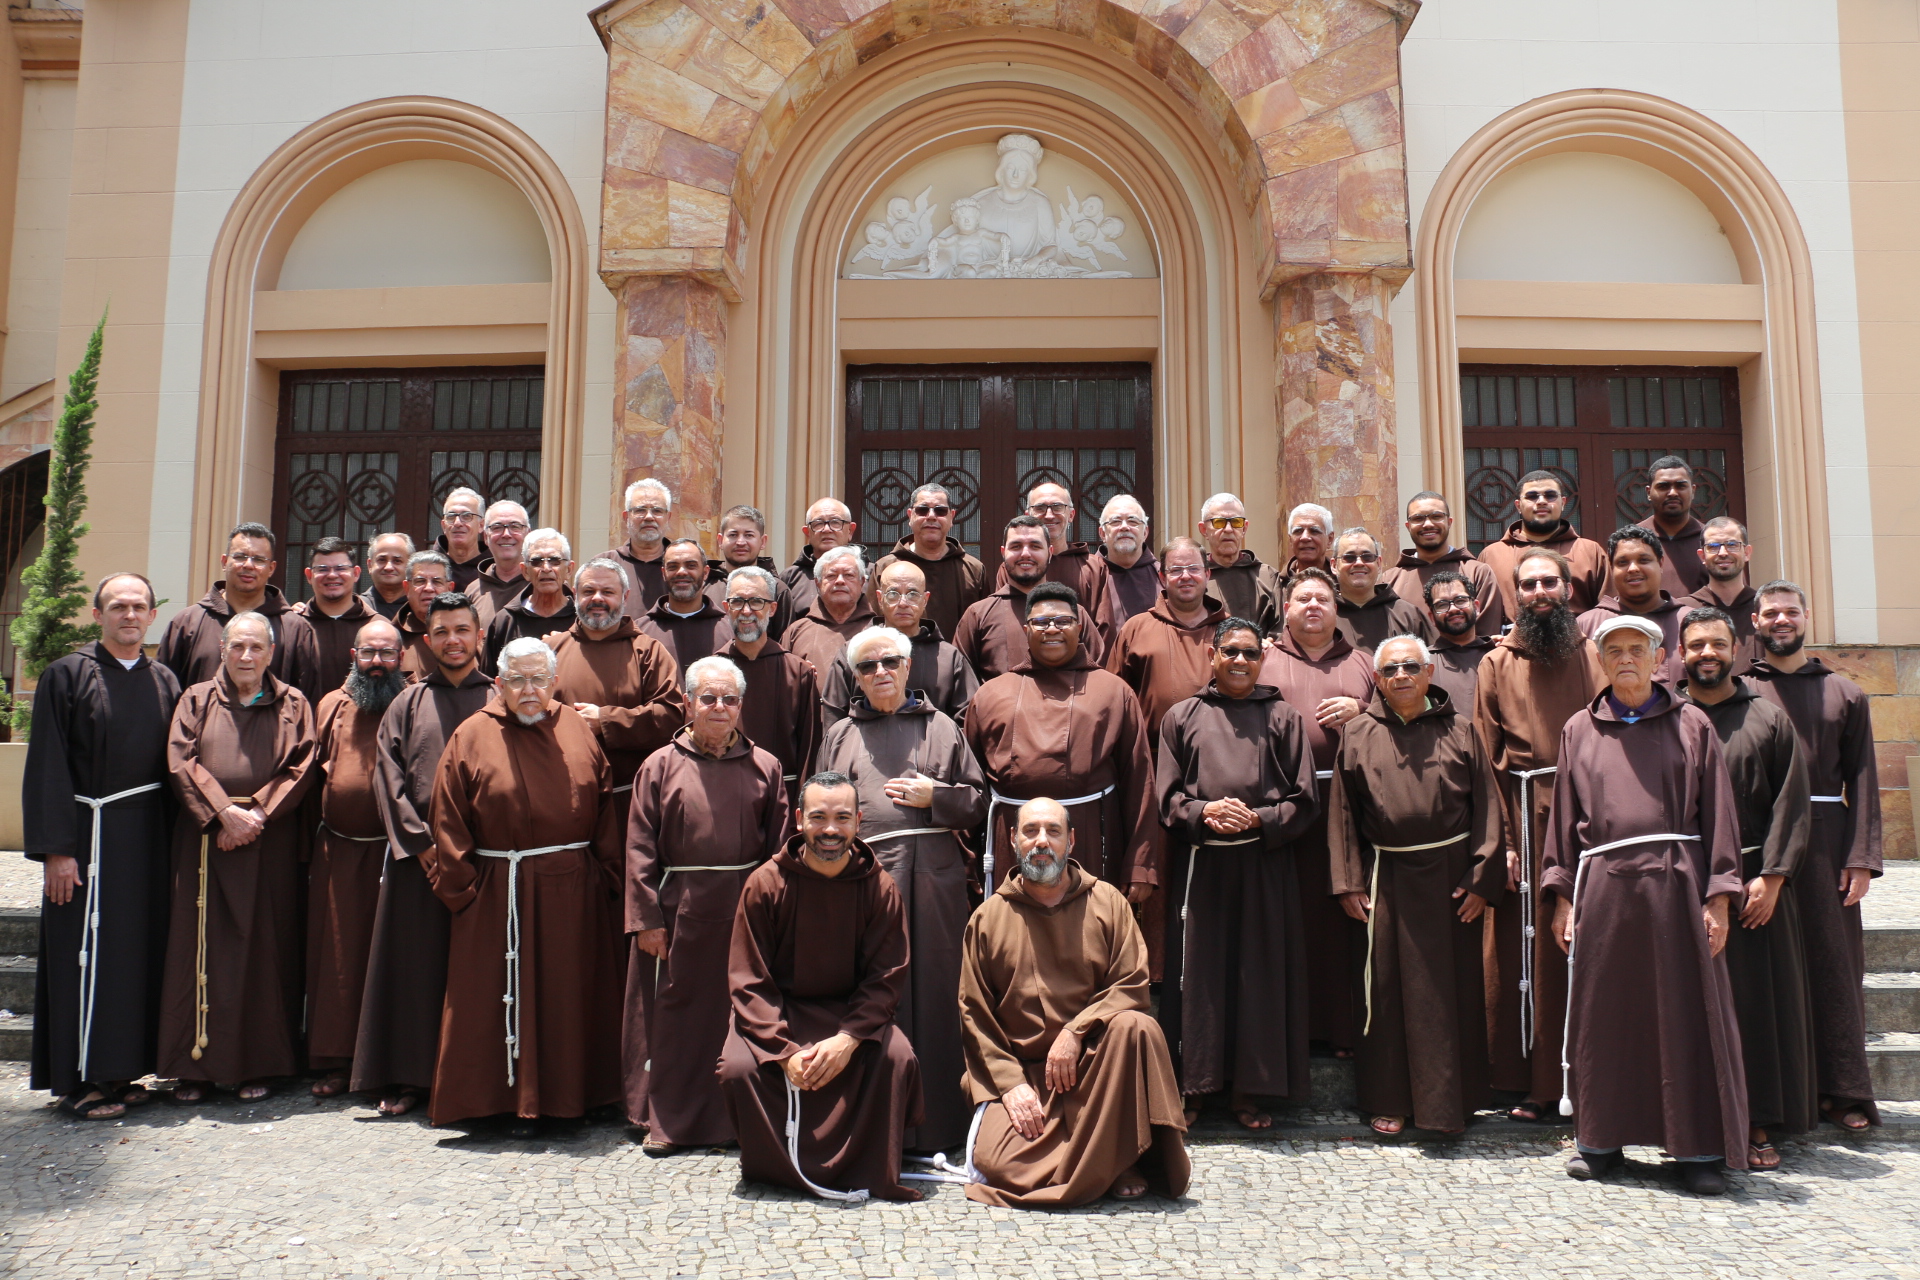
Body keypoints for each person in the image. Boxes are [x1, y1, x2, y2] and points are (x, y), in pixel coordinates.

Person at [1545, 614, 1748, 1195]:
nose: (1627, 658)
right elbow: (1562, 819)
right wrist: (1561, 899)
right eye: (1615, 650)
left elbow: (1719, 815)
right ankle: (1601, 1141)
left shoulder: (1693, 723)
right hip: (1603, 885)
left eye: (1639, 648)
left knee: (1687, 1012)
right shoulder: (1579, 729)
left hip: (1678, 884)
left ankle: (1696, 1151)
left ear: (1662, 659)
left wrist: (1720, 896)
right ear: (1601, 661)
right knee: (1604, 1013)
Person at [423, 636, 625, 1135]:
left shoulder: (576, 726)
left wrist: (606, 879)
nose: (529, 690)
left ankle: (577, 1097)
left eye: (538, 679)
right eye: (517, 680)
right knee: (497, 999)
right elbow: (446, 819)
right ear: (499, 683)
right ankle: (503, 1102)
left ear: (555, 683)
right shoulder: (472, 734)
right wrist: (466, 893)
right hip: (498, 893)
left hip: (572, 893)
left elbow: (602, 807)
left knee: (567, 998)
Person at [958, 798, 1190, 1207]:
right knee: (999, 1163)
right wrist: (1010, 1086)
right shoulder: (988, 917)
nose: (1041, 842)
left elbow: (1132, 985)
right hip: (1027, 1076)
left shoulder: (1109, 903)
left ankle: (1120, 1159)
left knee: (1137, 1028)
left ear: (1072, 841)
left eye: (1053, 831)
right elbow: (974, 1014)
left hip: (1098, 1071)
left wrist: (1076, 1030)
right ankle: (1108, 1160)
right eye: (1030, 831)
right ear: (1013, 839)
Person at [819, 626, 988, 1152]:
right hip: (867, 882)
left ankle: (941, 1123)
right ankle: (875, 1124)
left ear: (908, 666)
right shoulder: (840, 735)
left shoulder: (941, 727)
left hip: (936, 880)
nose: (880, 673)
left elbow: (979, 801)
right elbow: (818, 810)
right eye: (867, 667)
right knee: (874, 995)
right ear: (856, 677)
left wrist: (935, 795)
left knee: (938, 994)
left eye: (889, 661)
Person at [718, 772, 924, 1203]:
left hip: (850, 1016)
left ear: (858, 822)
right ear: (798, 820)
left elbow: (886, 977)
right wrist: (784, 1051)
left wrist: (848, 1039)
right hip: (778, 1014)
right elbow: (749, 979)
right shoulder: (765, 884)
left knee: (896, 1056)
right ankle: (773, 1168)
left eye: (842, 818)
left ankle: (867, 1166)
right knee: (738, 1068)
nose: (830, 829)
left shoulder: (879, 887)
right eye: (819, 817)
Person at [1329, 635, 1503, 1136]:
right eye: (1391, 670)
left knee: (1452, 993)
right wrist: (1347, 883)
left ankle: (1456, 1100)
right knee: (1387, 995)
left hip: (1451, 882)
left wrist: (1480, 879)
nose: (1401, 675)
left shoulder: (1462, 730)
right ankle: (1393, 1099)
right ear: (1378, 680)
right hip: (1387, 877)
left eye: (1411, 666)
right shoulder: (1358, 732)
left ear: (1429, 673)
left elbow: (1489, 808)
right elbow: (1343, 814)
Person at [26, 573, 181, 1120]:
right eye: (118, 606)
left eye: (139, 606)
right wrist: (56, 850)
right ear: (98, 615)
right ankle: (78, 1079)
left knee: (134, 954)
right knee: (81, 955)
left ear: (152, 616)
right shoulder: (66, 675)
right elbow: (46, 764)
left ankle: (121, 1070)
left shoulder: (166, 680)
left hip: (145, 841)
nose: (130, 615)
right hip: (85, 835)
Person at [1156, 619, 1317, 1126]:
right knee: (1200, 976)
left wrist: (1261, 818)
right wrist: (1202, 812)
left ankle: (1251, 1090)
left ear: (1261, 659)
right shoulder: (1182, 717)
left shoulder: (1283, 718)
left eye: (1250, 653)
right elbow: (1167, 794)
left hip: (1264, 862)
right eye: (1231, 652)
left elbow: (1306, 798)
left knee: (1258, 975)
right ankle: (1196, 1085)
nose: (1240, 661)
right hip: (1202, 865)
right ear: (1213, 654)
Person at [625, 656, 788, 1156]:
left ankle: (736, 1120)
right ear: (689, 702)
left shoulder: (766, 766)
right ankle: (668, 1121)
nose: (719, 708)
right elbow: (639, 847)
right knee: (676, 1022)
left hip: (744, 913)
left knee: (739, 1016)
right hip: (679, 912)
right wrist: (647, 919)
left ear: (742, 706)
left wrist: (776, 918)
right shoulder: (659, 765)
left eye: (730, 699)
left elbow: (780, 849)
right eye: (708, 698)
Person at [158, 612, 318, 1104]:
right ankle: (195, 1067)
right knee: (198, 951)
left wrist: (257, 815)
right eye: (238, 647)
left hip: (268, 843)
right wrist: (223, 811)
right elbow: (180, 759)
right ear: (222, 649)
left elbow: (304, 763)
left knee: (265, 953)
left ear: (272, 653)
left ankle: (260, 1064)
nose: (247, 656)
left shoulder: (293, 702)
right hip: (206, 838)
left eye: (257, 648)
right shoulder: (197, 699)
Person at [1680, 606, 1816, 1169]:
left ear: (1736, 648)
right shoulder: (1667, 717)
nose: (1706, 654)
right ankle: (1688, 1115)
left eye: (1717, 644)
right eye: (1695, 646)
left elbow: (1792, 800)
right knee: (1685, 1003)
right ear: (1679, 654)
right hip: (1682, 880)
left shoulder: (1768, 718)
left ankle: (1758, 1118)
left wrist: (1776, 875)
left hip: (1756, 883)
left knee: (1754, 1004)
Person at [1472, 547, 1605, 1121]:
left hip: (1588, 817)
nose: (1539, 593)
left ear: (1568, 587)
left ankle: (1594, 1076)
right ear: (1515, 594)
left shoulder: (1595, 654)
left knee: (1587, 945)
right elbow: (1484, 757)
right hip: (1523, 814)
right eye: (1528, 585)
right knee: (1523, 951)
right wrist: (1501, 841)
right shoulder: (1495, 663)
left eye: (1550, 582)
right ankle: (1529, 1081)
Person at [1747, 579, 1883, 1133]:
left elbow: (1866, 779)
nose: (1781, 620)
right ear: (1753, 622)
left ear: (1807, 617)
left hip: (1827, 837)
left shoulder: (1844, 693)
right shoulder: (1741, 691)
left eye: (1790, 611)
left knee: (1832, 963)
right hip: (1762, 835)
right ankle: (1782, 1093)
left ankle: (1844, 1090)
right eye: (1770, 613)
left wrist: (1861, 857)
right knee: (1771, 963)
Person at [352, 591, 492, 1117]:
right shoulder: (407, 702)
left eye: (463, 630)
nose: (453, 641)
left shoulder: (499, 698)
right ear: (427, 641)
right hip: (421, 861)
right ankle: (410, 1075)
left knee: (475, 971)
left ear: (480, 637)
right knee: (414, 968)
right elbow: (387, 778)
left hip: (484, 861)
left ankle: (471, 1074)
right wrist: (421, 844)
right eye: (442, 633)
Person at [964, 581, 1159, 899]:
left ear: (1079, 627)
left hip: (1090, 839)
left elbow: (1139, 781)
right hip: (1009, 838)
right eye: (1040, 622)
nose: (1051, 629)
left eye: (1062, 621)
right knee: (1013, 940)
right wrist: (968, 862)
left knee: (1087, 941)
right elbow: (969, 785)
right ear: (1026, 629)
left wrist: (1139, 865)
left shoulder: (1113, 691)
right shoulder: (991, 694)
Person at [1257, 567, 1375, 1056]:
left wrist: (1364, 712)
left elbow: (1400, 716)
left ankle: (1344, 1029)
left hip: (1348, 806)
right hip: (1283, 808)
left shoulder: (1366, 663)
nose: (1312, 606)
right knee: (1289, 919)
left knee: (1343, 920)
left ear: (1337, 609)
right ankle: (1291, 1031)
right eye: (1302, 598)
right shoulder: (1261, 659)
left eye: (1322, 600)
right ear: (1286, 608)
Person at [303, 618, 407, 1099]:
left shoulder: (411, 704)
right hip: (340, 852)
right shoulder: (331, 705)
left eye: (388, 654)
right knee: (340, 961)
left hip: (397, 856)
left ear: (401, 658)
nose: (379, 664)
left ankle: (391, 1067)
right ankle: (338, 1060)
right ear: (353, 656)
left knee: (392, 963)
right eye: (369, 654)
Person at [548, 557, 688, 817]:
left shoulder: (648, 652)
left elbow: (671, 716)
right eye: (588, 591)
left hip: (628, 800)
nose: (597, 599)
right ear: (576, 595)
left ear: (625, 595)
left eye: (608, 592)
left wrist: (605, 720)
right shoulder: (550, 651)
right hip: (561, 799)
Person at [159, 521, 323, 705]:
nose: (248, 565)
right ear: (224, 561)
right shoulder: (187, 623)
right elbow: (165, 698)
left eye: (259, 559)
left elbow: (307, 705)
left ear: (271, 568)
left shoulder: (296, 629)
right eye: (240, 556)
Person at [822, 559, 978, 730]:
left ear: (925, 599)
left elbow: (966, 722)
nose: (903, 603)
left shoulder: (949, 658)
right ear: (880, 598)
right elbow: (834, 720)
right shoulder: (855, 652)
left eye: (912, 594)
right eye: (893, 594)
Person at [715, 565, 821, 806]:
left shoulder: (799, 673)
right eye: (737, 602)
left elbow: (810, 751)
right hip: (724, 799)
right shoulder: (711, 673)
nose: (746, 611)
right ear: (725, 608)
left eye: (756, 602)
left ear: (772, 608)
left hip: (783, 801)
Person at [1104, 537, 1226, 738]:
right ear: (1162, 577)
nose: (1185, 576)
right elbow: (1113, 698)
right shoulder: (1136, 629)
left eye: (1193, 569)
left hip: (1217, 755)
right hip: (1153, 757)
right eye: (1176, 570)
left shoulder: (1230, 631)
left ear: (1207, 574)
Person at [954, 516, 1103, 681]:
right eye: (1016, 546)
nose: (1025, 554)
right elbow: (962, 685)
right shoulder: (978, 615)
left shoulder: (1073, 613)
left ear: (1050, 553)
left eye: (1035, 546)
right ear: (1003, 552)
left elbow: (1098, 680)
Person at [994, 481, 1115, 647]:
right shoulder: (1014, 566)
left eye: (1057, 507)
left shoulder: (1094, 568)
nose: (1049, 515)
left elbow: (1104, 631)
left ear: (1071, 514)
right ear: (1028, 514)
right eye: (1040, 508)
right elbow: (1005, 621)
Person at [1477, 470, 1610, 619]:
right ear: (1518, 505)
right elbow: (1482, 615)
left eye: (1550, 495)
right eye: (1532, 496)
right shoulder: (1492, 555)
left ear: (1563, 502)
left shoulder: (1590, 551)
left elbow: (1607, 610)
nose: (1541, 501)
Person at [869, 482, 985, 641]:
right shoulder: (886, 568)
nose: (931, 516)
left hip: (957, 663)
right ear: (910, 516)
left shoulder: (973, 570)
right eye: (922, 510)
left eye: (940, 511)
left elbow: (982, 627)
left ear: (951, 517)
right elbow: (874, 625)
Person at [1381, 492, 1503, 637]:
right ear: (1408, 526)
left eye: (1436, 516)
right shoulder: (1390, 580)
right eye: (1418, 518)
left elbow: (1486, 635)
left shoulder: (1478, 572)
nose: (1428, 524)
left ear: (1449, 521)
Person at [1578, 527, 1687, 681]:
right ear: (1611, 567)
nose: (1633, 569)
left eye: (1643, 560)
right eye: (1622, 562)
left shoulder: (1688, 622)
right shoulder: (1585, 626)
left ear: (1661, 564)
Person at [483, 527, 577, 674]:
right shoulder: (506, 621)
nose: (546, 568)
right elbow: (490, 682)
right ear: (525, 571)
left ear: (569, 569)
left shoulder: (580, 620)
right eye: (537, 561)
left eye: (554, 561)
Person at [780, 544, 879, 678]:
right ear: (818, 583)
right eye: (831, 575)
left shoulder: (878, 628)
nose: (840, 581)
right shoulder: (796, 631)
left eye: (848, 575)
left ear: (861, 582)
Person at [636, 537, 732, 673]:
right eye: (673, 566)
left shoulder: (729, 632)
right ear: (663, 574)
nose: (681, 572)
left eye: (691, 565)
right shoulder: (640, 632)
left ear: (705, 572)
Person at [1331, 527, 1433, 653]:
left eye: (1367, 557)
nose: (1358, 563)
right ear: (1334, 565)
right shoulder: (1323, 614)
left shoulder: (1408, 615)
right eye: (1349, 557)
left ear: (1379, 564)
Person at [294, 537, 376, 692]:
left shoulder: (376, 626)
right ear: (309, 575)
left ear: (356, 573)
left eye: (341, 568)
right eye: (322, 569)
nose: (332, 575)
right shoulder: (294, 626)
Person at [701, 505, 796, 639]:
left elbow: (784, 643)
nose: (740, 542)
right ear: (720, 541)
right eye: (733, 535)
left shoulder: (777, 590)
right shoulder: (703, 586)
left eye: (749, 535)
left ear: (763, 542)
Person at [1196, 493, 1282, 639]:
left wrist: (1267, 645)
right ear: (1204, 530)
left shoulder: (1267, 577)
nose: (1228, 529)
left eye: (1236, 522)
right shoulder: (1194, 577)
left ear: (1244, 528)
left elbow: (1280, 631)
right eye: (1219, 522)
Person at [1676, 516, 1759, 659]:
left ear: (1747, 553)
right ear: (1702, 556)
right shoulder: (1682, 610)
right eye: (1713, 547)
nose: (1723, 553)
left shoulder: (1764, 609)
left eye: (1732, 544)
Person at [1635, 456, 1710, 598]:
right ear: (1648, 492)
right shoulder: (1634, 540)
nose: (1673, 493)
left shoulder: (1711, 541)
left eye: (1680, 486)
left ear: (1693, 490)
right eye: (1663, 486)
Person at [602, 478, 673, 619]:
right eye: (640, 510)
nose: (649, 517)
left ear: (668, 517)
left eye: (657, 510)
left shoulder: (681, 566)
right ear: (626, 517)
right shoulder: (604, 564)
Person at [1423, 571, 1495, 707]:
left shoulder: (1499, 655)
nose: (1453, 609)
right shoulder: (1423, 664)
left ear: (1476, 607)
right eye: (1442, 604)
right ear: (1432, 617)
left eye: (1460, 601)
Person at [784, 497, 858, 617]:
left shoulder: (869, 573)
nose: (827, 529)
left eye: (835, 522)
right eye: (818, 524)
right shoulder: (790, 578)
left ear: (850, 530)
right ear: (807, 532)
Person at [467, 500, 532, 629]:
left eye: (515, 526)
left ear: (528, 534)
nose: (506, 534)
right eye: (497, 527)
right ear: (486, 537)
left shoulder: (545, 583)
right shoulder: (473, 591)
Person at [1097, 494, 1158, 626]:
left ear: (1145, 533)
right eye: (1115, 521)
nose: (1124, 527)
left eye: (1133, 521)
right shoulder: (1088, 576)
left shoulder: (1164, 576)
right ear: (1102, 533)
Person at [393, 552, 456, 678]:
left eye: (437, 582)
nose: (428, 588)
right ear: (406, 588)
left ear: (450, 588)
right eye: (420, 581)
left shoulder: (467, 635)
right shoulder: (392, 637)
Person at [434, 486, 487, 591]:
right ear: (444, 526)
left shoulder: (492, 568)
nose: (457, 523)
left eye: (467, 516)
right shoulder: (428, 564)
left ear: (481, 525)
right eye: (451, 516)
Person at [361, 532, 414, 621]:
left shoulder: (420, 609)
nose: (388, 567)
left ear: (410, 566)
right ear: (370, 565)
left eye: (397, 561)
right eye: (382, 560)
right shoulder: (358, 608)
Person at [1281, 503, 1335, 577]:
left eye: (1314, 531)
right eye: (1298, 531)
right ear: (1290, 540)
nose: (1305, 537)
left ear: (1330, 539)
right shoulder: (1275, 585)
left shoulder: (1344, 585)